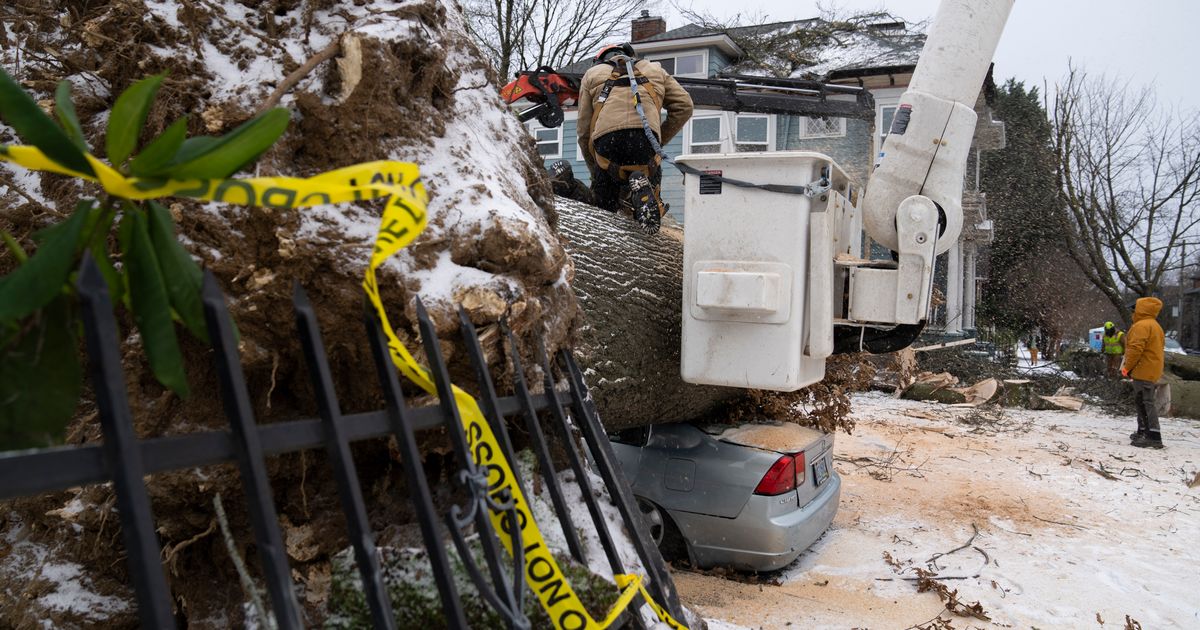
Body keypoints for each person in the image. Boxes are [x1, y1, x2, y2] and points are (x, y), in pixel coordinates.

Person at [573, 43, 693, 234]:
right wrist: (657, 143)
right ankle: (644, 198)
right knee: (648, 188)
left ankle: (608, 224)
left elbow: (584, 131)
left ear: (601, 59)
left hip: (607, 144)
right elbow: (685, 106)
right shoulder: (655, 69)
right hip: (645, 141)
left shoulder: (592, 74)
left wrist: (596, 167)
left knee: (604, 210)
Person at [1121, 297, 1166, 448]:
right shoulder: (1155, 325)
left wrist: (1127, 367)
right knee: (1142, 401)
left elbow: (1135, 350)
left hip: (1143, 369)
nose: (1133, 313)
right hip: (1150, 369)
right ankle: (1143, 431)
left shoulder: (1141, 326)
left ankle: (1153, 435)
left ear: (1140, 310)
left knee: (1145, 402)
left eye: (1134, 310)